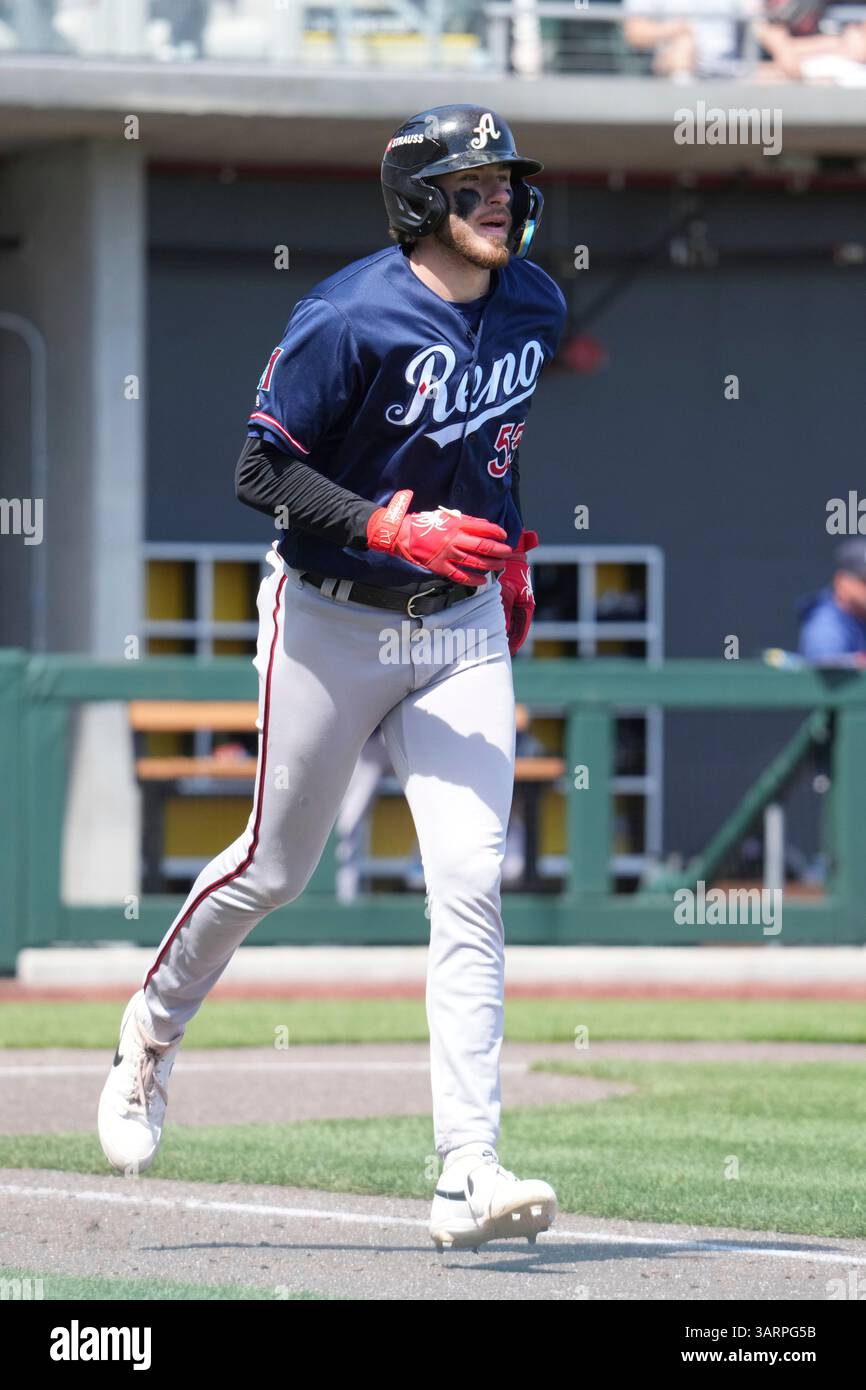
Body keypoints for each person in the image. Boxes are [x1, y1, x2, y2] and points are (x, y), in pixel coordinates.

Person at [98, 104, 567, 1253]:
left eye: (506, 179)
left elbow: (486, 452)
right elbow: (260, 467)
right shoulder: (349, 314)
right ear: (420, 202)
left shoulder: (535, 303)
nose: (499, 197)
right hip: (330, 616)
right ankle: (151, 1032)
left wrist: (509, 555)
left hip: (458, 626)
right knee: (272, 866)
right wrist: (387, 533)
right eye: (473, 184)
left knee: (467, 882)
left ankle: (467, 1166)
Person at [797, 540, 866, 661]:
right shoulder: (826, 627)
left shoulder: (860, 616)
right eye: (864, 581)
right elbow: (828, 667)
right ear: (841, 581)